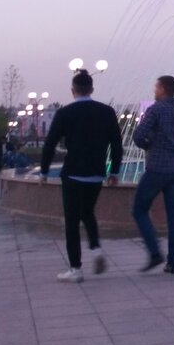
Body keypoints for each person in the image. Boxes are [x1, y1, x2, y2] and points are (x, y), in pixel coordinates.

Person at [40, 69, 124, 283]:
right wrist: (114, 171)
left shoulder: (65, 113)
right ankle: (96, 250)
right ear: (92, 89)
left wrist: (44, 171)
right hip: (96, 174)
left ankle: (75, 269)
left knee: (72, 221)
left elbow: (50, 144)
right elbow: (117, 144)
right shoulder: (107, 111)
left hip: (73, 173)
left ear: (73, 90)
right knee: (87, 212)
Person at [132, 75, 174, 275]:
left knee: (139, 209)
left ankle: (154, 252)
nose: (154, 91)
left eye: (156, 87)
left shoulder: (155, 110)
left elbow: (138, 136)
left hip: (157, 169)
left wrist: (149, 145)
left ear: (163, 89)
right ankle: (173, 263)